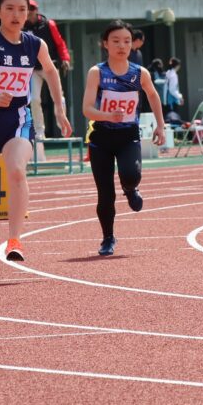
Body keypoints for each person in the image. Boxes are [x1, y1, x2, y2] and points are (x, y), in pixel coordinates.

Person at [0, 0, 71, 263]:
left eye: (22, 9)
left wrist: (59, 109)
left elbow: (51, 72)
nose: (16, 15)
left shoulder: (36, 44)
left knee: (17, 172)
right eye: (9, 9)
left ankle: (15, 242)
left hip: (18, 119)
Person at [82, 20, 166, 256]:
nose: (122, 46)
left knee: (131, 175)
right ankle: (108, 238)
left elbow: (153, 95)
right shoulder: (97, 72)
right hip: (101, 138)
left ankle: (130, 189)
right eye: (116, 41)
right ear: (105, 44)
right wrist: (108, 114)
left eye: (127, 41)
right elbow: (87, 109)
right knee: (105, 194)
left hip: (128, 136)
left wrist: (160, 125)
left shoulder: (139, 73)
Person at [26, 0, 71, 138]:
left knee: (58, 98)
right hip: (33, 69)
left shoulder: (48, 24)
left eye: (32, 9)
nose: (29, 12)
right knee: (33, 99)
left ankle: (63, 125)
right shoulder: (22, 27)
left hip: (50, 67)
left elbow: (60, 43)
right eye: (27, 9)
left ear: (36, 10)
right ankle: (39, 131)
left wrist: (65, 58)